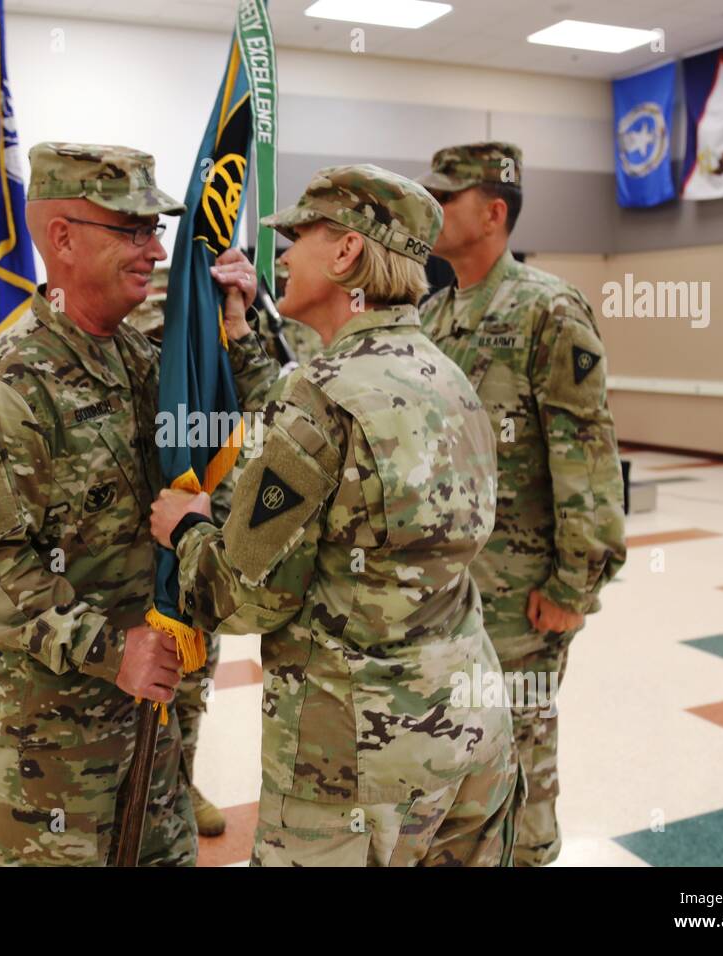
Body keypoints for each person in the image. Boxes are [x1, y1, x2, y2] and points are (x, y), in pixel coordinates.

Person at [150, 165, 521, 867]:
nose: (282, 255)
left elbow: (241, 597)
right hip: (471, 735)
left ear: (347, 252)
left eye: (298, 236)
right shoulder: (449, 375)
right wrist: (242, 330)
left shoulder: (321, 396)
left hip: (354, 765)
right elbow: (322, 446)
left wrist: (189, 528)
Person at [0, 141, 275, 866]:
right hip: (54, 764)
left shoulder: (140, 360)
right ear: (61, 238)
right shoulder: (3, 388)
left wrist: (238, 330)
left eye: (154, 231)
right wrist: (109, 649)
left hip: (154, 740)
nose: (155, 251)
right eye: (131, 231)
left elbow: (256, 439)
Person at [417, 142, 627, 866]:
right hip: (450, 594)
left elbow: (587, 454)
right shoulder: (434, 314)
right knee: (462, 753)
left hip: (522, 595)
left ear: (493, 210)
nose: (431, 210)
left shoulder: (546, 307)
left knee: (522, 754)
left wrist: (576, 583)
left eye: (446, 199)